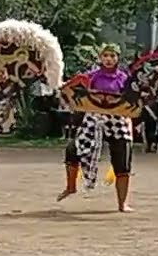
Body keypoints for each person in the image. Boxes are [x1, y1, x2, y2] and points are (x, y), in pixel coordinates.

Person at [58, 43, 135, 211]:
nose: (109, 59)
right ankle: (71, 186)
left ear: (117, 58)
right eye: (105, 56)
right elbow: (69, 89)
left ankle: (123, 203)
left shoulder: (124, 78)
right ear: (100, 58)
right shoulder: (90, 77)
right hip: (94, 119)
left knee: (123, 160)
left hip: (118, 121)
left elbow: (133, 100)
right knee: (73, 149)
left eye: (112, 56)